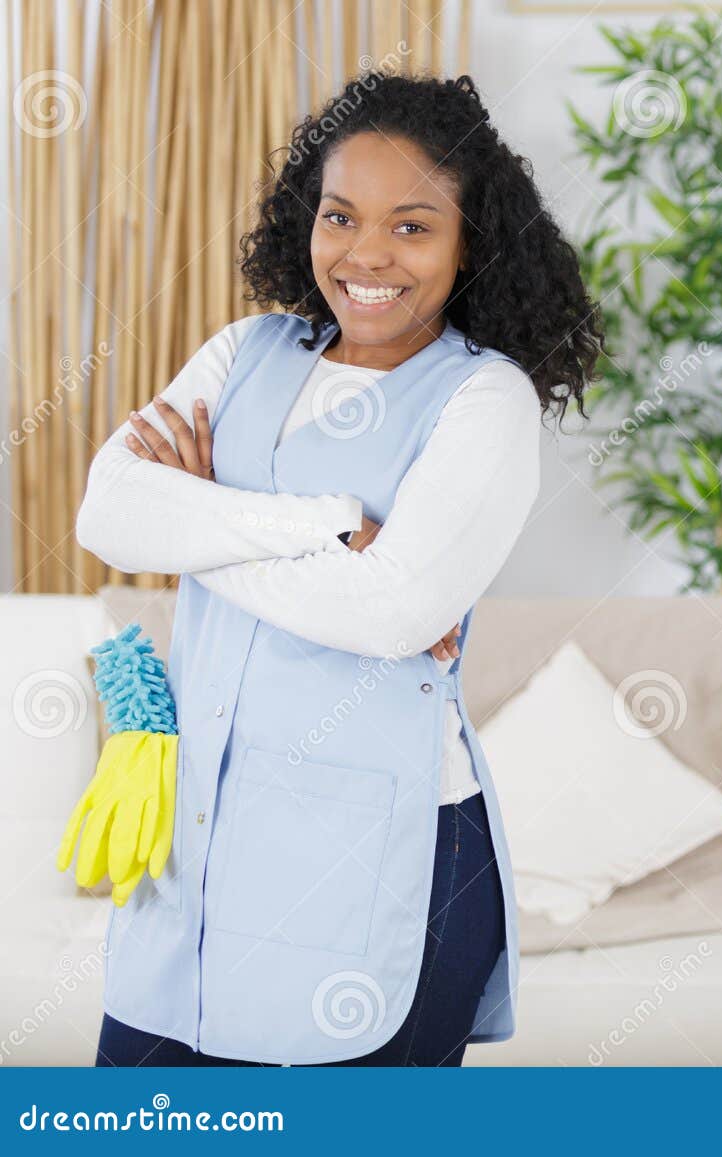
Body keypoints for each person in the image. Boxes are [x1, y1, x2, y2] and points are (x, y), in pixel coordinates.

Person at [75, 71, 603, 1066]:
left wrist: (195, 526)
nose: (366, 255)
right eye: (339, 216)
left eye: (412, 226)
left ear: (470, 242)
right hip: (193, 862)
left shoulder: (483, 400)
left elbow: (388, 613)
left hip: (381, 866)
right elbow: (110, 511)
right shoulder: (246, 349)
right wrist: (322, 528)